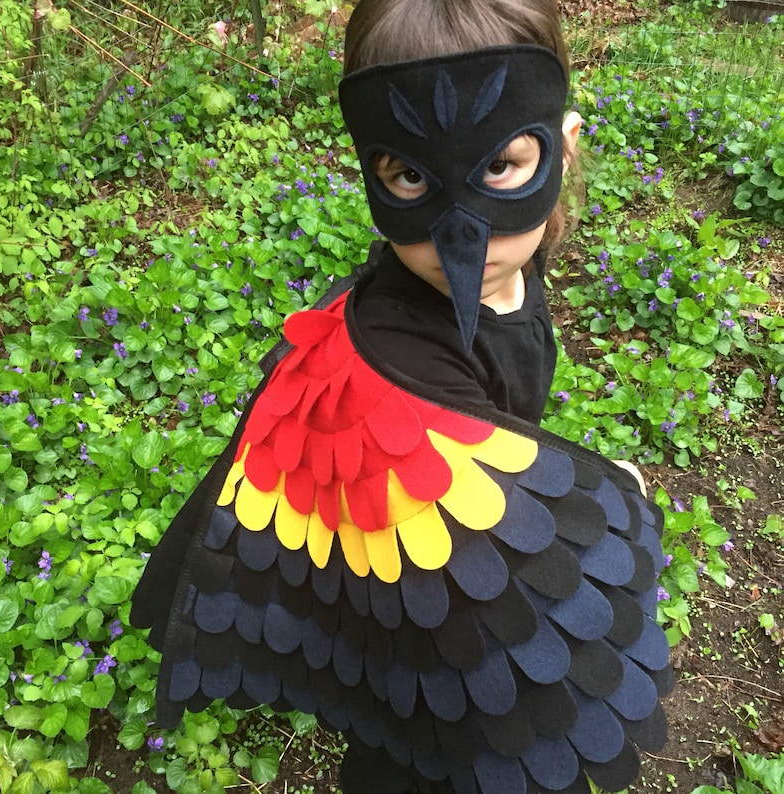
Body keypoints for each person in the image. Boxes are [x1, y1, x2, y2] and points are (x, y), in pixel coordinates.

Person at [131, 1, 672, 793]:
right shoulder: (396, 377)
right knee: (435, 738)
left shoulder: (511, 266)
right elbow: (503, 571)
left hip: (445, 549)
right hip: (421, 598)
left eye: (502, 167)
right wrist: (611, 496)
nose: (466, 238)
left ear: (563, 147)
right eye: (412, 175)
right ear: (372, 171)